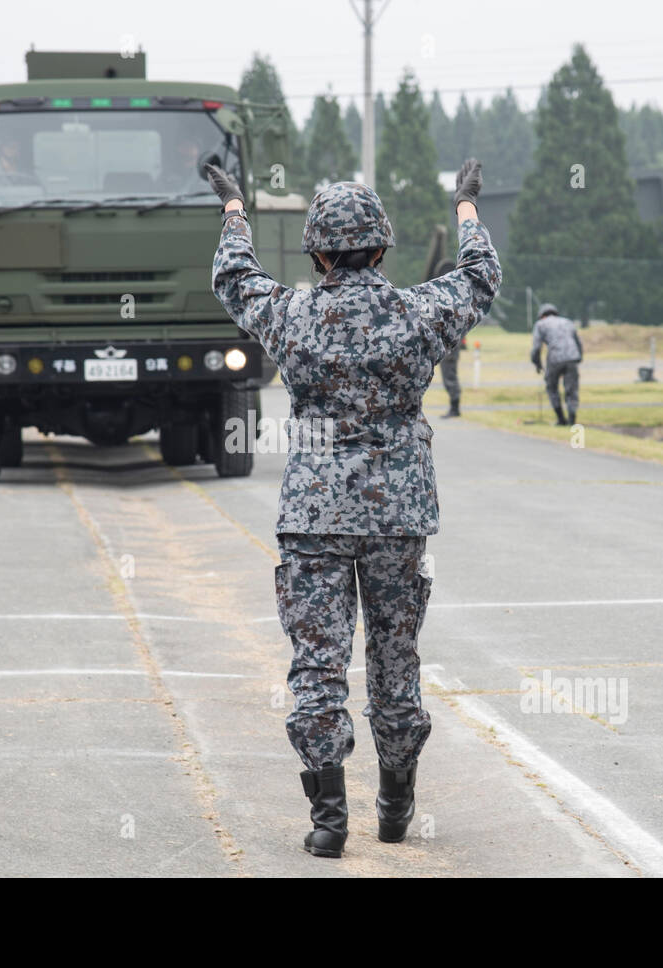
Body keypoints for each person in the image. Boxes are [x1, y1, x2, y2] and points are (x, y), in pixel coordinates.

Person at [206, 158, 500, 858]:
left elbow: (234, 279)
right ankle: (396, 806)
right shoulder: (419, 312)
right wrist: (464, 209)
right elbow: (481, 278)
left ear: (316, 250)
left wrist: (235, 211)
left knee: (317, 663)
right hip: (398, 516)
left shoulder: (292, 315)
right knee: (395, 660)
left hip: (315, 515)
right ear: (381, 246)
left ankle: (328, 819)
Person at [530, 303, 582, 426]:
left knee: (552, 388)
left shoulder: (540, 324)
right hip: (572, 357)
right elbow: (578, 342)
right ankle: (572, 419)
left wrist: (537, 364)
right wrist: (578, 358)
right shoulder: (567, 322)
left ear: (542, 315)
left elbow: (536, 348)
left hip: (555, 359)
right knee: (572, 389)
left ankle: (561, 419)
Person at [433, 260, 463, 417]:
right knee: (448, 376)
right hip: (449, 344)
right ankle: (454, 407)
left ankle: (455, 408)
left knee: (449, 376)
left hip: (450, 345)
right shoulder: (456, 299)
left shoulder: (451, 302)